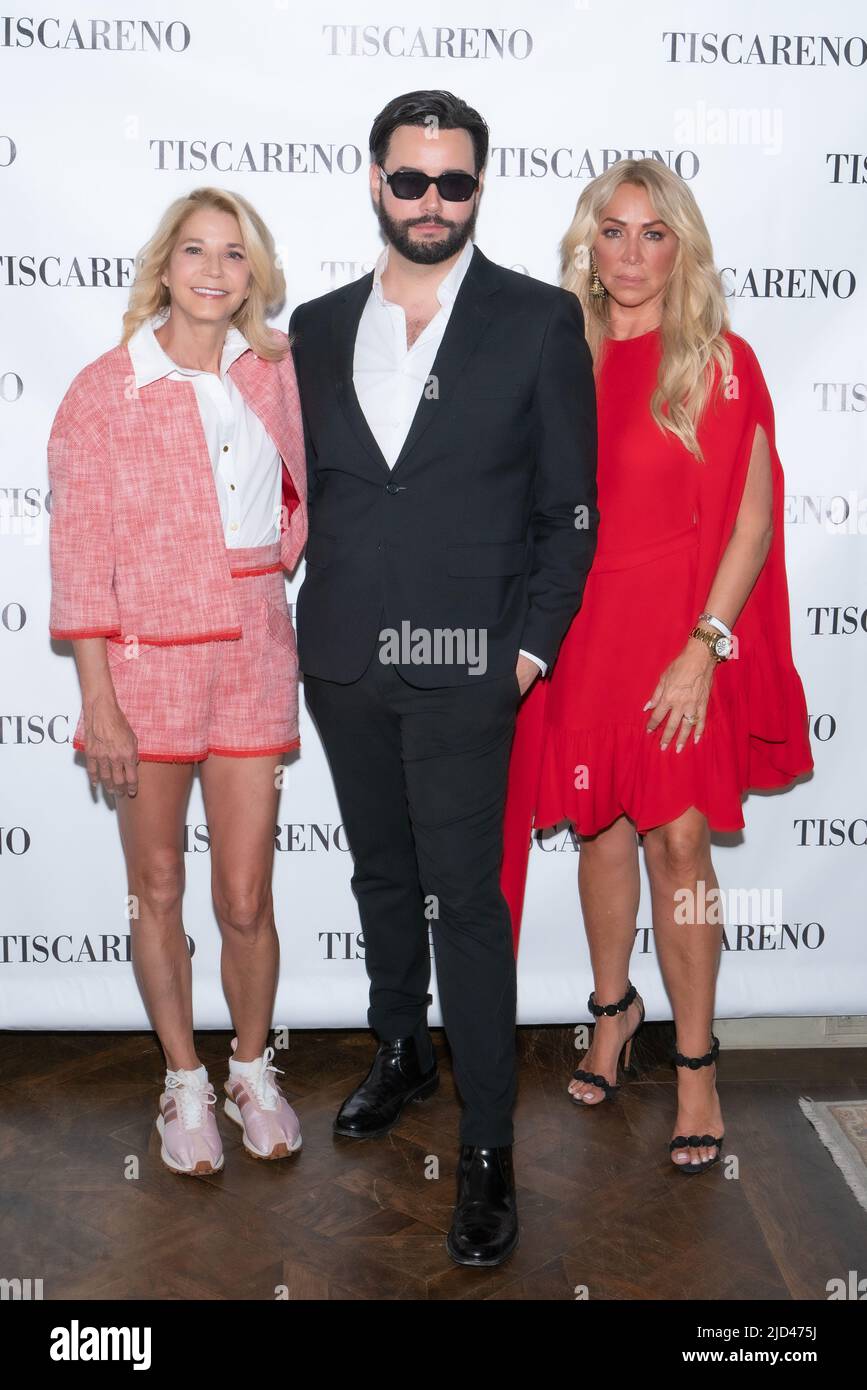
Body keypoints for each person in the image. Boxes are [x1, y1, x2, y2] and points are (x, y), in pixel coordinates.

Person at [287, 90, 597, 1264]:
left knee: (467, 900)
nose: (430, 202)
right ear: (375, 181)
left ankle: (486, 1148)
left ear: (480, 188)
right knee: (381, 874)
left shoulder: (534, 319)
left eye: (452, 182)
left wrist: (525, 651)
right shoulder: (313, 327)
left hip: (472, 666)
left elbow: (570, 511)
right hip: (346, 655)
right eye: (409, 180)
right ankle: (400, 1048)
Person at [501, 159, 814, 1176]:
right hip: (582, 632)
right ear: (587, 244)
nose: (631, 254)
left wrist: (703, 648)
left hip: (680, 635)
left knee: (677, 846)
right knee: (599, 829)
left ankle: (695, 1065)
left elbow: (754, 519)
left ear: (682, 246)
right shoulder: (556, 351)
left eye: (653, 233)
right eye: (613, 231)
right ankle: (611, 1010)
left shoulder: (719, 360)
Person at [48, 187, 308, 1177]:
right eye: (194, 250)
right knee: (155, 883)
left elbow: (297, 502)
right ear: (165, 265)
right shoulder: (103, 388)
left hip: (252, 648)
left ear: (254, 273)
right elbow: (79, 557)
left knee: (247, 892)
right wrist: (99, 697)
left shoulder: (273, 372)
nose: (212, 270)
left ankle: (251, 1068)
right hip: (145, 663)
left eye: (233, 254)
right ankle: (184, 1081)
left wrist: (262, 570)